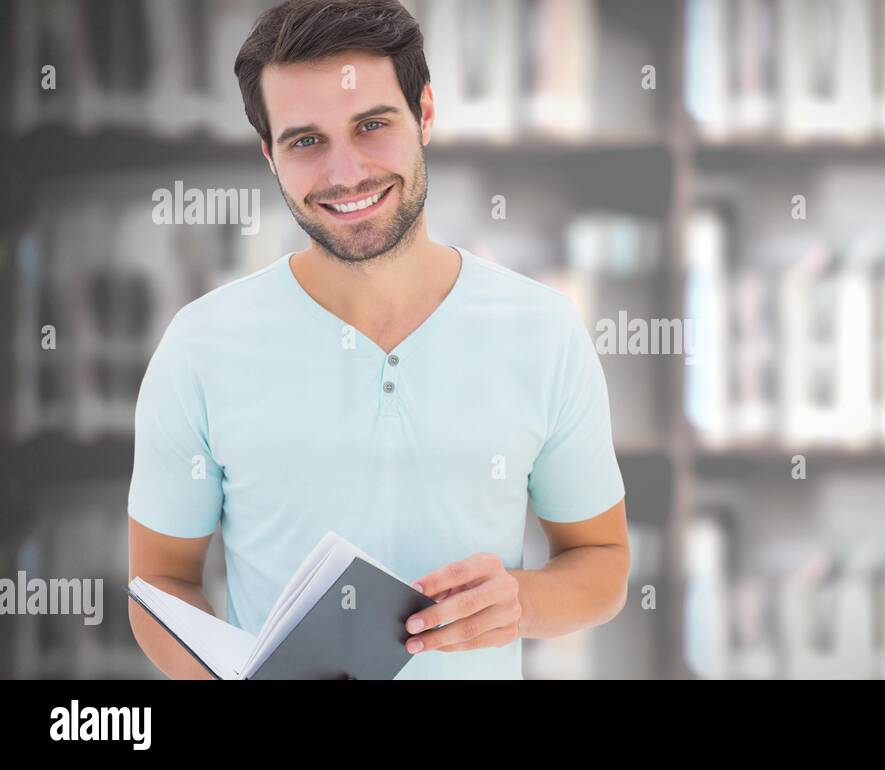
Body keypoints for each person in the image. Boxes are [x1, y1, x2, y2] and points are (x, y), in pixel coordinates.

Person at [127, 0, 630, 679]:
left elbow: (602, 564)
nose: (346, 173)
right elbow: (159, 585)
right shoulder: (200, 347)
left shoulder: (543, 330)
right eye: (306, 141)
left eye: (372, 125)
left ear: (424, 112)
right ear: (269, 155)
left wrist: (523, 601)